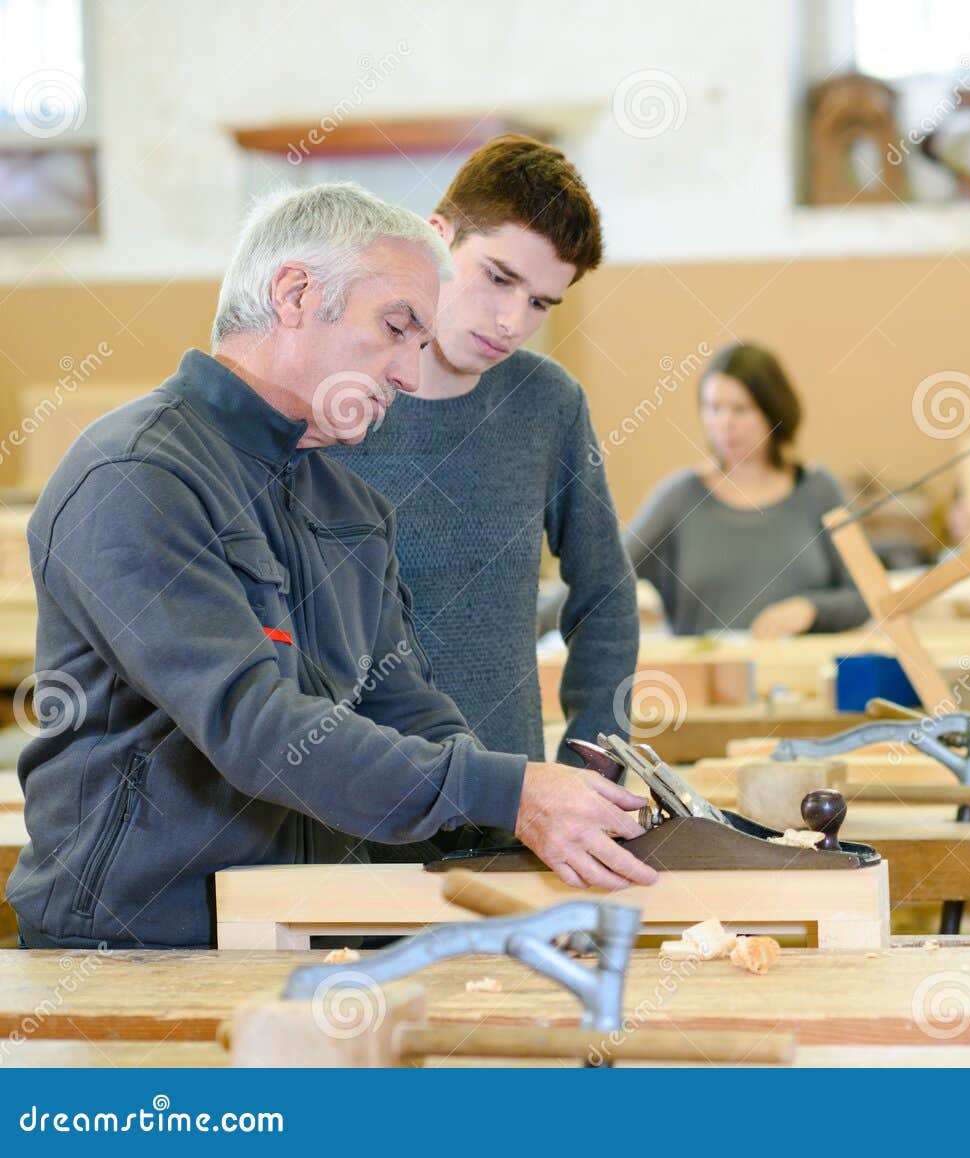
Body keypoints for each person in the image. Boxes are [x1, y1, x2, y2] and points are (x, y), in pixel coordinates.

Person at [7, 184, 655, 950]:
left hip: (302, 923)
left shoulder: (347, 502)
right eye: (395, 328)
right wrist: (507, 792)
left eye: (419, 342)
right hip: (141, 942)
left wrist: (517, 832)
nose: (410, 375)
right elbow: (259, 731)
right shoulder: (136, 476)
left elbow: (403, 704)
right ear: (294, 295)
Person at [335, 135, 635, 779]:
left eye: (539, 303)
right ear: (436, 239)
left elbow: (606, 593)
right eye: (498, 278)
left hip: (508, 810)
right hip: (346, 810)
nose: (510, 321)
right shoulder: (335, 402)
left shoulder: (548, 404)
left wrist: (594, 770)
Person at [627, 342, 868, 638]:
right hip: (706, 679)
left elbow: (866, 597)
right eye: (714, 408)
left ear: (773, 411)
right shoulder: (678, 498)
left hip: (800, 677)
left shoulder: (819, 491)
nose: (725, 424)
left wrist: (811, 609)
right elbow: (601, 577)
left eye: (741, 409)